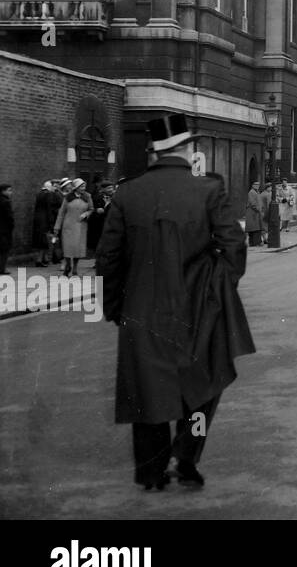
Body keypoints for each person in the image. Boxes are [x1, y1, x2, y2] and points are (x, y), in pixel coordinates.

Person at [95, 113, 254, 491]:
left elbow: (108, 258)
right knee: (201, 387)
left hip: (141, 310)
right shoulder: (209, 191)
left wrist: (115, 307)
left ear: (153, 152)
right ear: (186, 149)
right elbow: (234, 247)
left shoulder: (127, 194)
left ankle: (151, 474)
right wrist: (217, 287)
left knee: (145, 394)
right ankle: (186, 457)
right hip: (197, 308)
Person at [54, 178, 92, 276]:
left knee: (78, 248)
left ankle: (75, 267)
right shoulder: (68, 198)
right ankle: (67, 265)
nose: (84, 188)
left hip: (81, 226)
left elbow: (91, 209)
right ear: (76, 187)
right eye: (81, 186)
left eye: (84, 186)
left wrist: (87, 213)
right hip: (68, 226)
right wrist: (57, 227)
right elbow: (61, 213)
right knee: (67, 247)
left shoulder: (87, 197)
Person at [31, 181, 61, 268]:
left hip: (38, 220)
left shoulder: (39, 193)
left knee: (41, 241)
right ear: (50, 186)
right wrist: (51, 222)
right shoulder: (48, 194)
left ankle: (43, 259)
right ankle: (40, 260)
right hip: (44, 221)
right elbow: (49, 209)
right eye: (53, 187)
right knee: (44, 241)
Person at [244, 183, 264, 247]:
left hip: (255, 213)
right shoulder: (251, 192)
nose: (257, 186)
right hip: (253, 213)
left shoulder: (256, 192)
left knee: (256, 228)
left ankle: (255, 242)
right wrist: (258, 209)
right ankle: (255, 243)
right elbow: (253, 203)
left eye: (258, 185)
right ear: (252, 185)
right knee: (254, 228)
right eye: (256, 185)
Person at [0, 183, 13, 276]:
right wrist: (11, 226)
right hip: (4, 230)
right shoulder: (6, 202)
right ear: (3, 191)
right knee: (4, 250)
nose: (11, 192)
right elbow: (9, 217)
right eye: (9, 190)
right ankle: (2, 268)